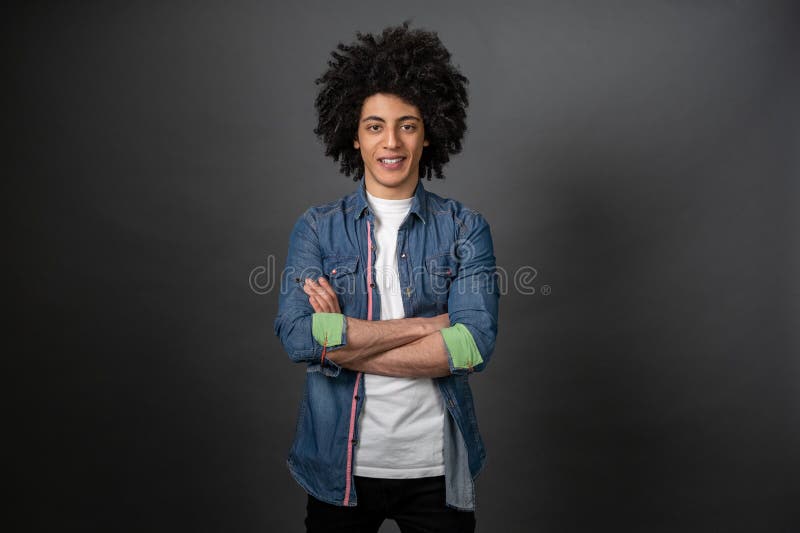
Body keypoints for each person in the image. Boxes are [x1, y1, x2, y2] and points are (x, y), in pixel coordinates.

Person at [273, 22, 499, 533]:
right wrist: (423, 328)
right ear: (354, 136)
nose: (391, 141)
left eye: (408, 124)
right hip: (340, 470)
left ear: (428, 132)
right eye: (375, 126)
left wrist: (342, 342)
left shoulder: (466, 228)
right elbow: (297, 337)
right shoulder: (316, 228)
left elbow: (471, 347)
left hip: (437, 472)